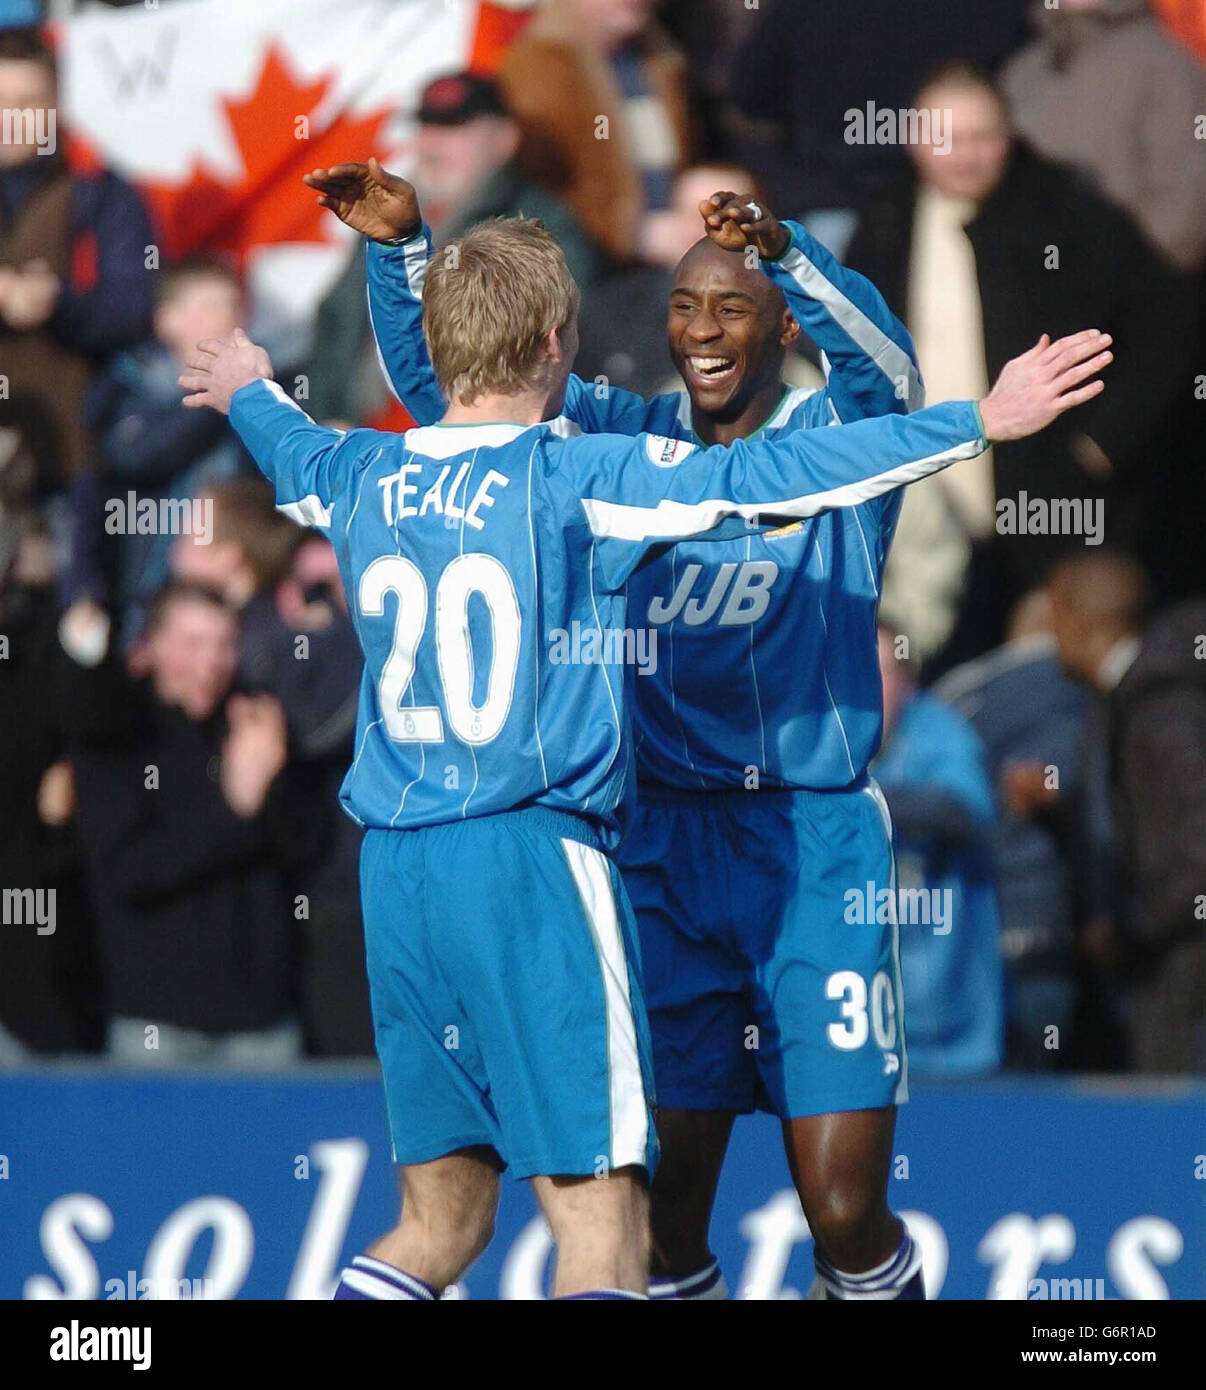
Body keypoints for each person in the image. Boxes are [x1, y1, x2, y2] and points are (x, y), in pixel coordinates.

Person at [178, 206, 1101, 1298]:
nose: (703, 329)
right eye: (682, 304)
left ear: (784, 323)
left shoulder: (827, 438)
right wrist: (403, 261)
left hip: (807, 847)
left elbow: (883, 371)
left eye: (732, 305)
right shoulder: (616, 446)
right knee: (650, 1229)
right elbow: (460, 394)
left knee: (844, 1207)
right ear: (580, 339)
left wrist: (799, 256)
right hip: (650, 849)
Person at [845, 61, 1197, 671]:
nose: (969, 155)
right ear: (911, 140)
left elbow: (1171, 318)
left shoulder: (1065, 210)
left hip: (1056, 509)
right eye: (946, 138)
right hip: (925, 515)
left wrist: (1099, 444)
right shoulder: (885, 223)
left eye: (985, 136)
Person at [62, 582, 315, 1067]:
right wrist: (236, 807)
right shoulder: (116, 731)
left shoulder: (254, 719)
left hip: (260, 1025)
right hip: (154, 1025)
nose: (210, 663)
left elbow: (306, 846)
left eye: (223, 645)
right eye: (192, 643)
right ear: (152, 644)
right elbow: (129, 872)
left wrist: (273, 777)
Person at [1047, 554, 1206, 1074]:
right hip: (1168, 965)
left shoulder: (1161, 709)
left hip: (1184, 975)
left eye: (1053, 619)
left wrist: (1132, 927)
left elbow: (1196, 841)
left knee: (1175, 1135)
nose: (1049, 638)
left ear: (1078, 620)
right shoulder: (1126, 702)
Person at [935, 590, 1089, 1069]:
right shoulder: (1072, 683)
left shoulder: (954, 692)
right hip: (1047, 931)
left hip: (958, 940)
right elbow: (1059, 783)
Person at [0, 26, 153, 485]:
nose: (11, 118)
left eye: (26, 103)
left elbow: (137, 308)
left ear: (56, 104)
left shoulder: (104, 192)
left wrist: (55, 303)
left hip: (71, 457)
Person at [85, 256, 248, 634]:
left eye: (233, 305)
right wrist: (220, 396)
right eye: (209, 306)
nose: (225, 318)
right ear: (166, 321)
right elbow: (134, 456)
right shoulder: (128, 383)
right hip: (144, 597)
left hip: (231, 597)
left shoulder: (270, 391)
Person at [873, 622, 1005, 1078]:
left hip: (951, 1038)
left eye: (884, 672)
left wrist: (856, 802)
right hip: (855, 1027)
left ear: (910, 682)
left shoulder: (937, 731)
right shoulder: (810, 738)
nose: (869, 688)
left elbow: (966, 809)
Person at [1002, 0, 1206, 272]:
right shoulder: (1021, 73)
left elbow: (1188, 200)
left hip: (1137, 292)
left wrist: (1118, 280)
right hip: (1030, 291)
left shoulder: (1168, 64)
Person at [498, 0, 690, 263]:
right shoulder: (539, 66)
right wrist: (629, 233)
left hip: (668, 252)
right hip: (585, 267)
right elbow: (543, 183)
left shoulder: (660, 60)